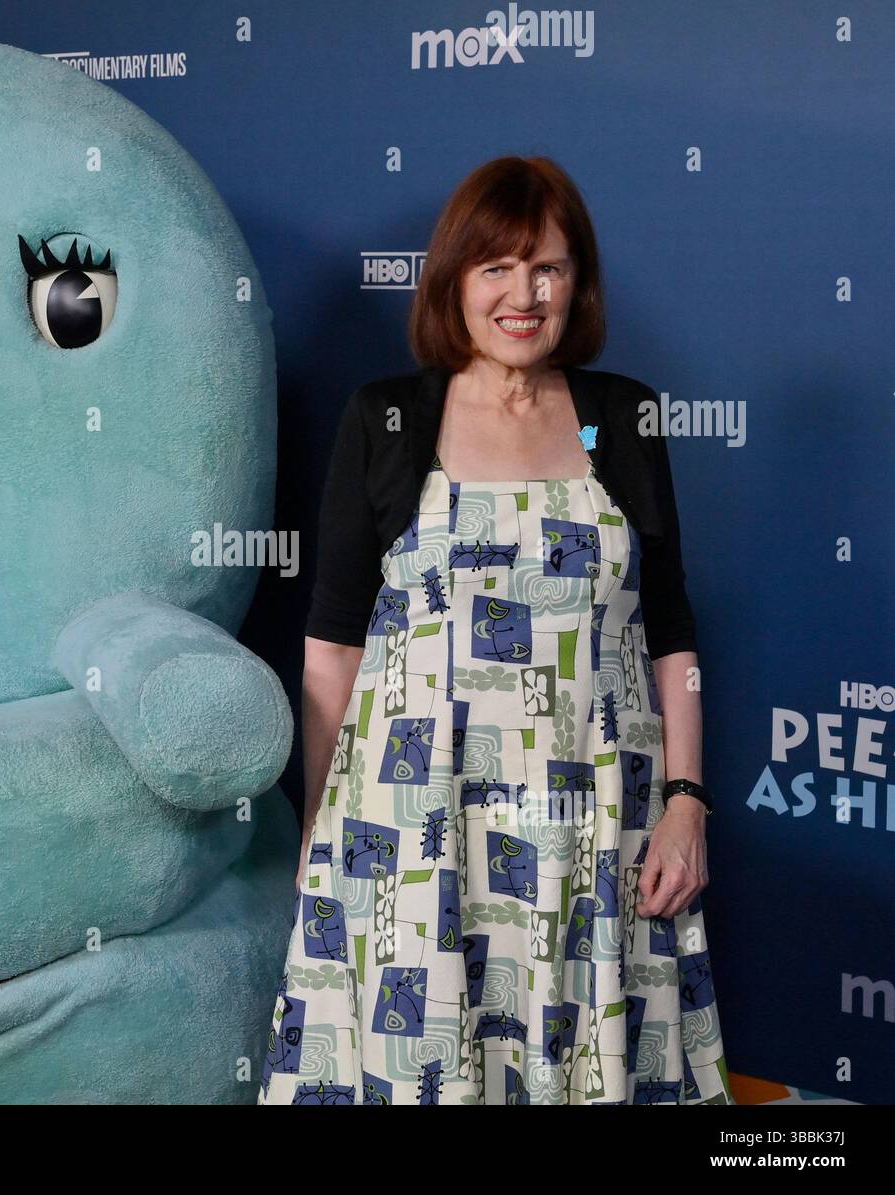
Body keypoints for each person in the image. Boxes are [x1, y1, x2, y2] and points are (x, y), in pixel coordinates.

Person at [258, 156, 733, 1105]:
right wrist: (318, 828)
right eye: (497, 269)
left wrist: (686, 800)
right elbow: (333, 643)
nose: (525, 294)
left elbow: (671, 631)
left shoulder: (622, 419)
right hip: (414, 821)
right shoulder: (388, 420)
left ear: (577, 283)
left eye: (548, 268)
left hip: (593, 825)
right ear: (454, 284)